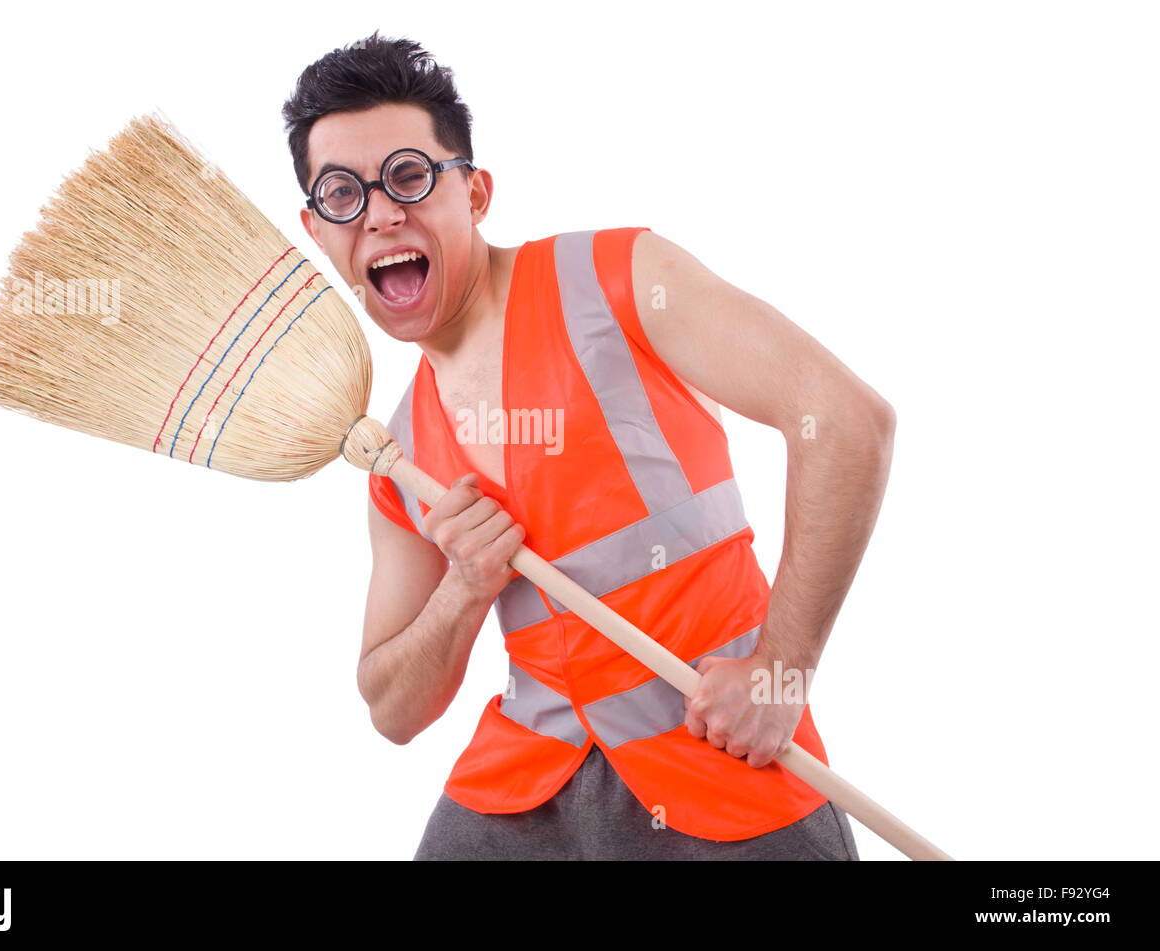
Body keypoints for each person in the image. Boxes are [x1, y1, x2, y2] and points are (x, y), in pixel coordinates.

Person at [283, 32, 893, 860]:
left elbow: (847, 421)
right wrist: (464, 587)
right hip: (521, 800)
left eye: (409, 176)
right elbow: (390, 707)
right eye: (343, 194)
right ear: (318, 231)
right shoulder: (398, 454)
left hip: (723, 774)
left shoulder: (618, 278)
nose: (382, 212)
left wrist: (780, 673)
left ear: (476, 192)